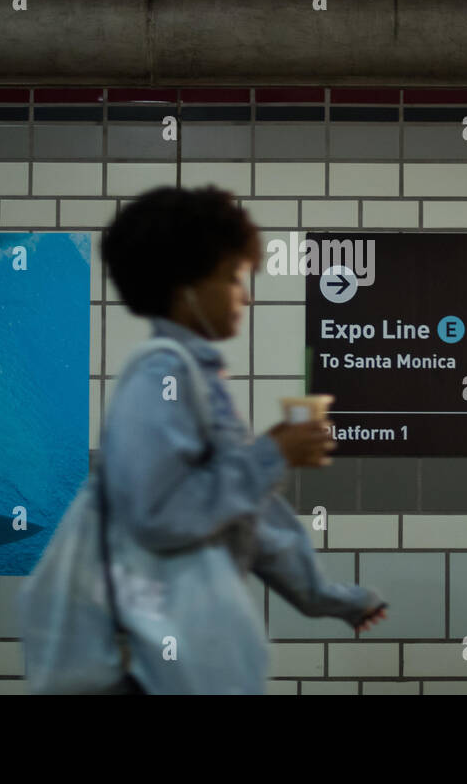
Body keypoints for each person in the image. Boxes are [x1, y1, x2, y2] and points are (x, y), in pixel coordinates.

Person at [102, 186, 387, 694]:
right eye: (234, 277)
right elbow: (160, 514)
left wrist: (334, 599)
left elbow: (246, 519)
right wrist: (272, 453)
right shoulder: (160, 378)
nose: (247, 295)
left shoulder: (199, 379)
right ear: (185, 284)